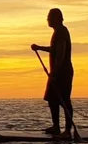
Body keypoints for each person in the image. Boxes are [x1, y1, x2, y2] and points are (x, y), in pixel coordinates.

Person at [31, 8, 74, 136]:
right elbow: (54, 49)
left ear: (57, 18)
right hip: (57, 72)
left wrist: (55, 72)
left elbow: (60, 53)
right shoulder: (57, 32)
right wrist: (39, 48)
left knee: (64, 100)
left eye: (50, 17)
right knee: (52, 99)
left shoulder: (61, 32)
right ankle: (56, 126)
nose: (48, 19)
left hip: (62, 73)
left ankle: (67, 130)